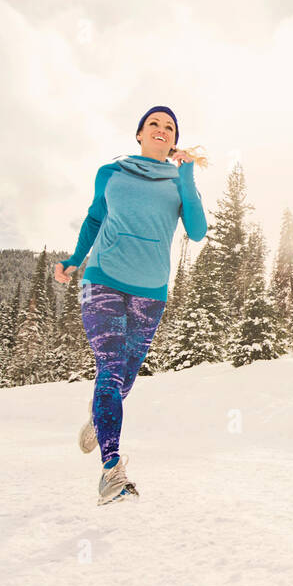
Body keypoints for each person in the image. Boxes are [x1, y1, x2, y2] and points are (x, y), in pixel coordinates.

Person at [54, 105, 208, 504]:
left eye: (169, 127)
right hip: (102, 280)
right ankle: (112, 471)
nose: (161, 129)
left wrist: (188, 174)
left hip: (151, 291)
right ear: (139, 134)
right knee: (109, 367)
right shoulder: (112, 173)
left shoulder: (179, 181)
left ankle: (98, 416)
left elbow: (196, 230)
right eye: (153, 124)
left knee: (124, 379)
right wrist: (74, 260)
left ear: (175, 141)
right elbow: (93, 219)